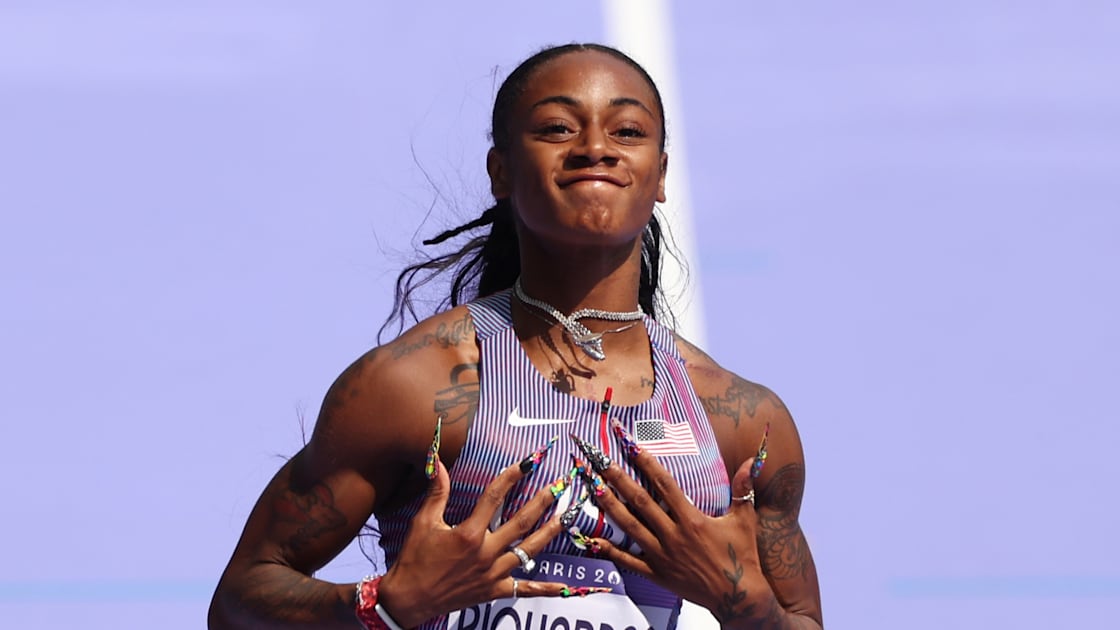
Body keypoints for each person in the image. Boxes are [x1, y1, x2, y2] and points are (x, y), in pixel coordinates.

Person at [209, 42, 822, 629]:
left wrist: (746, 610)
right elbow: (239, 602)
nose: (595, 149)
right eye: (558, 128)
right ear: (499, 171)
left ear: (660, 175)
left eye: (627, 132)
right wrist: (386, 604)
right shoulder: (409, 387)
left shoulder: (742, 422)